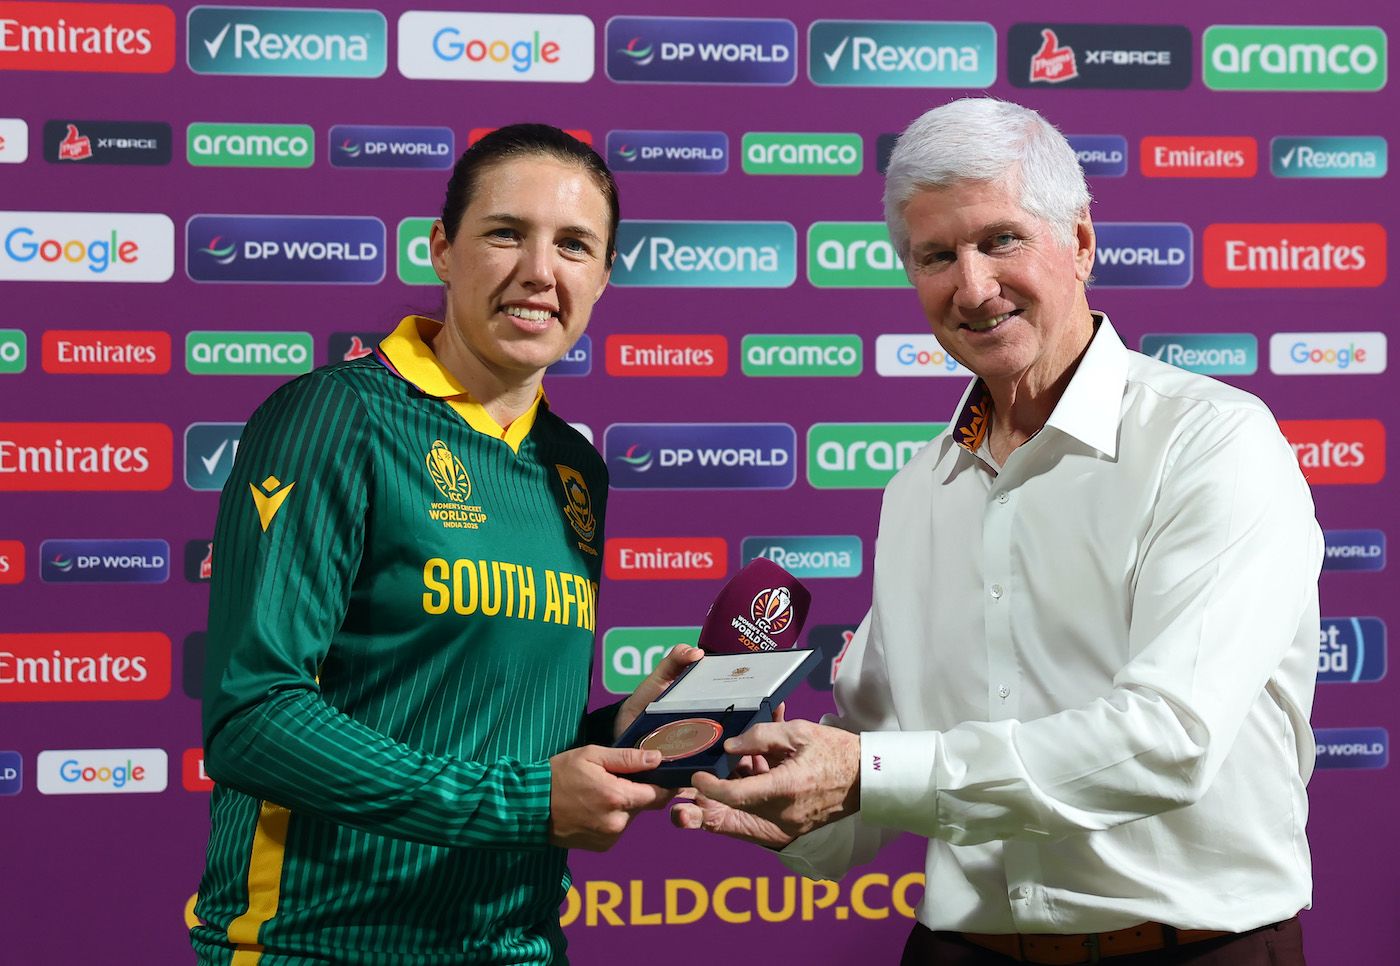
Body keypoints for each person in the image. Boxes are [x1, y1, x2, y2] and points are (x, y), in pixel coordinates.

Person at [675, 99, 1322, 965]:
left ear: (1082, 241)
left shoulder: (1211, 442)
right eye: (936, 255)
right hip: (961, 950)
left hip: (1194, 951)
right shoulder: (916, 491)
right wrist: (776, 799)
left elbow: (1172, 740)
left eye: (1002, 240)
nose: (972, 287)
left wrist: (865, 774)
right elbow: (872, 788)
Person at [191, 124, 700, 965]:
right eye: (506, 233)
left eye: (574, 245)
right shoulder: (336, 417)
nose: (540, 271)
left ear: (604, 279)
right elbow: (254, 717)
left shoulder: (573, 467)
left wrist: (626, 727)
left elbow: (477, 728)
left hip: (519, 948)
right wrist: (526, 804)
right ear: (441, 250)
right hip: (320, 948)